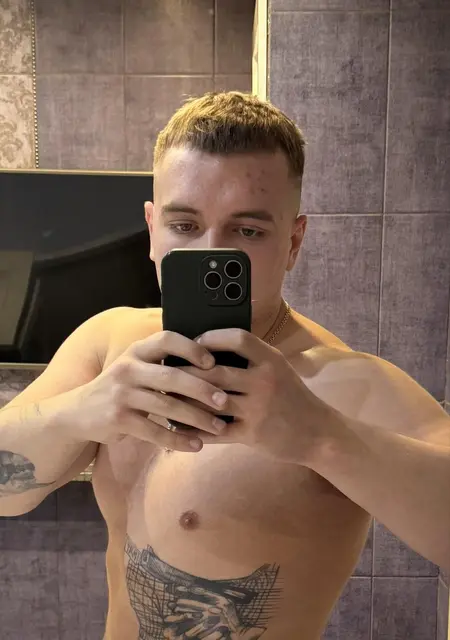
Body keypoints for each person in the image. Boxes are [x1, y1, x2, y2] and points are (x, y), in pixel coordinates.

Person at [0, 91, 449, 640]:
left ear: (294, 242)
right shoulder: (107, 343)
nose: (210, 252)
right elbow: (8, 496)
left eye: (248, 231)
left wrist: (320, 436)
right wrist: (77, 412)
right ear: (151, 229)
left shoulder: (344, 383)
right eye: (184, 225)